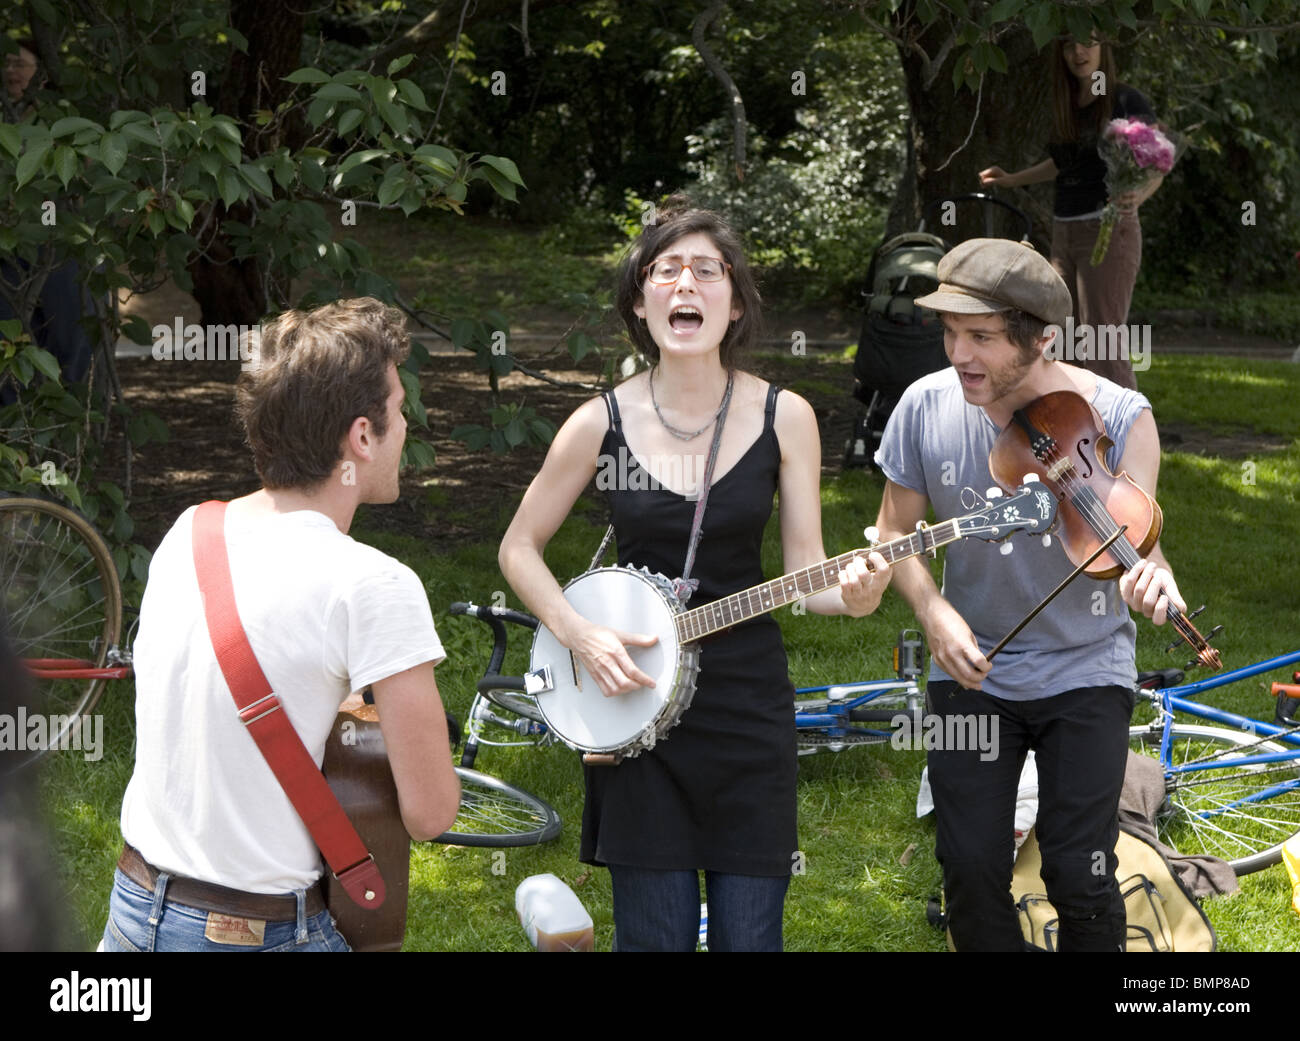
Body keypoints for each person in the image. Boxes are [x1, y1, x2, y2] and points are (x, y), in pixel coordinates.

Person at [498, 198, 890, 951]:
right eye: (666, 270)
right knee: (655, 937)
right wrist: (578, 635)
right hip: (635, 705)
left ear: (734, 300)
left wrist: (857, 594)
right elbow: (519, 546)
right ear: (641, 301)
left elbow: (808, 575)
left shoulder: (787, 417)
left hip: (747, 708)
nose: (686, 284)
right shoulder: (597, 423)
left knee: (750, 937)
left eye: (706, 271)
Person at [102, 298, 460, 952]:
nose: (406, 425)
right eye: (400, 408)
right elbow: (431, 812)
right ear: (360, 436)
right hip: (253, 933)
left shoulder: (191, 531)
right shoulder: (374, 584)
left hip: (133, 906)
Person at [874, 237, 1186, 951]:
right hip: (973, 669)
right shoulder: (925, 406)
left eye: (981, 336)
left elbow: (1141, 538)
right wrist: (934, 608)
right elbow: (895, 534)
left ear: (1042, 338)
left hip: (1086, 666)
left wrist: (1155, 577)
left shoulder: (1121, 415)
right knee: (971, 865)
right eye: (951, 332)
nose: (959, 354)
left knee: (1080, 869)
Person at [979, 34, 1161, 391]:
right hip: (1065, 232)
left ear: (1105, 46)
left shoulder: (1125, 99)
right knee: (1066, 340)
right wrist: (1013, 179)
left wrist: (1137, 195)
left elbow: (1157, 162)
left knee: (1102, 340)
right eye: (1068, 45)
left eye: (1089, 42)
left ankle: (1127, 437)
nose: (1078, 52)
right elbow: (1063, 164)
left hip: (1107, 231)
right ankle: (1076, 435)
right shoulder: (1068, 105)